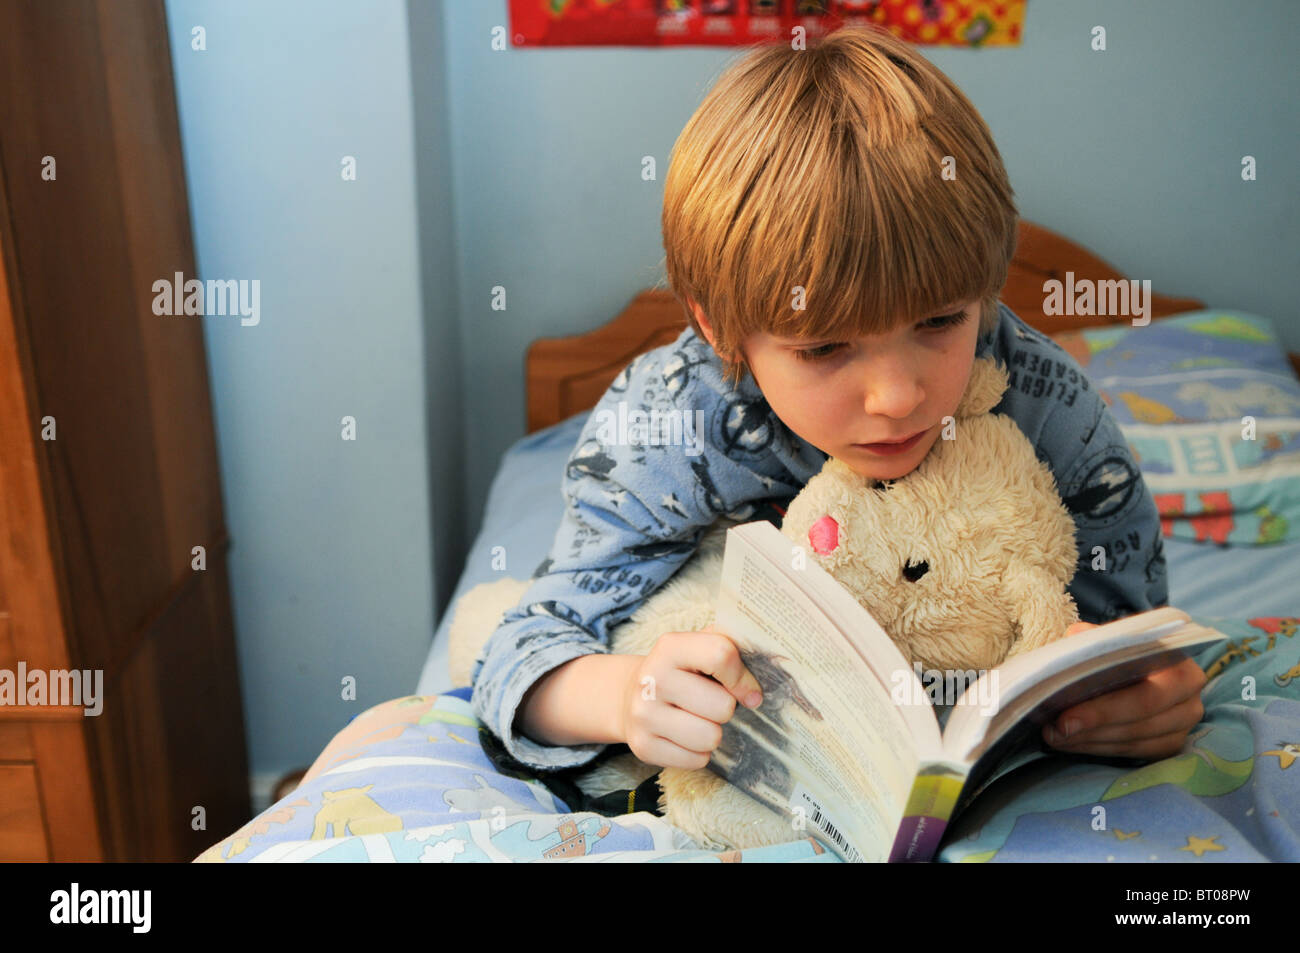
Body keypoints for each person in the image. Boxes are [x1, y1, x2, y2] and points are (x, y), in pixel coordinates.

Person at [470, 26, 1206, 788]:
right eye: (823, 349)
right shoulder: (670, 422)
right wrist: (624, 697)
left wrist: (1149, 703)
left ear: (984, 296)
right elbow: (526, 650)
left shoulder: (1045, 404)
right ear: (719, 326)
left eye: (940, 322)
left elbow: (1128, 639)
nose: (897, 398)